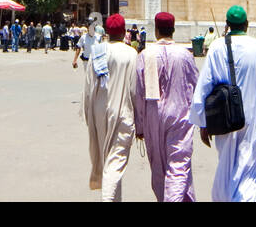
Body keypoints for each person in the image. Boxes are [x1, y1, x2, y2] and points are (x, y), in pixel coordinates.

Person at [189, 5, 256, 202]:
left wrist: (203, 122)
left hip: (224, 117)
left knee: (226, 168)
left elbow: (204, 85)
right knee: (249, 169)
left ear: (227, 25)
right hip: (253, 117)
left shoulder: (217, 47)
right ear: (247, 24)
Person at [133, 12, 199, 201]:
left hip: (153, 116)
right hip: (179, 115)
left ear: (156, 29)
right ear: (174, 29)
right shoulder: (184, 55)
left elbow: (139, 92)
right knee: (179, 164)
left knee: (159, 166)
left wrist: (140, 125)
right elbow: (196, 85)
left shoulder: (146, 55)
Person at [83, 14, 138, 201]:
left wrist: (88, 114)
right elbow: (134, 89)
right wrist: (140, 119)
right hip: (122, 110)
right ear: (124, 32)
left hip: (99, 111)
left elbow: (88, 86)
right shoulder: (131, 53)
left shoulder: (98, 51)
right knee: (116, 161)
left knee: (109, 159)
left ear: (107, 32)